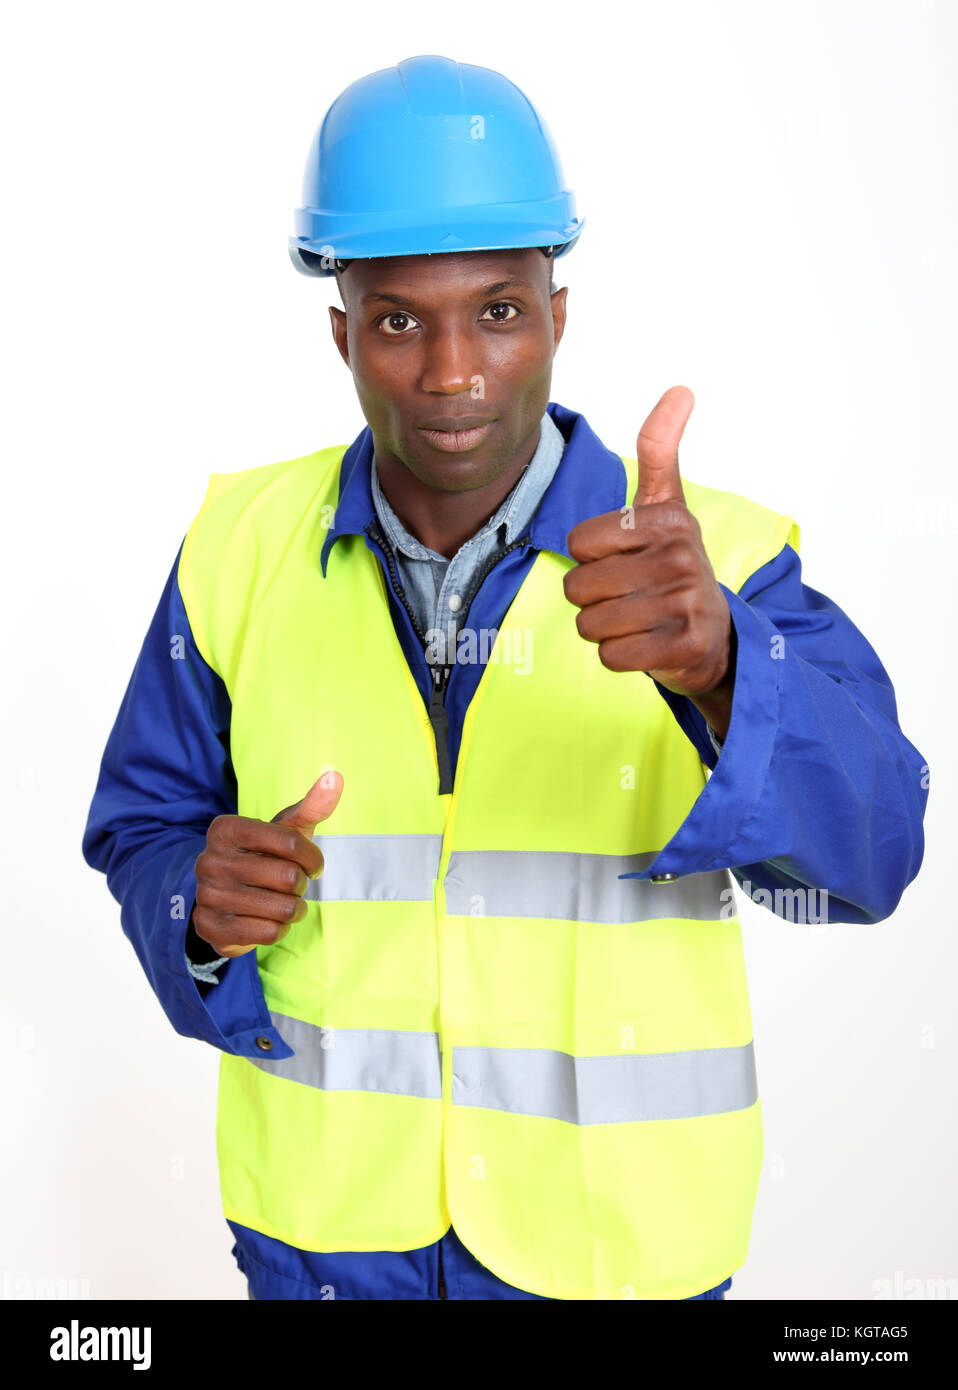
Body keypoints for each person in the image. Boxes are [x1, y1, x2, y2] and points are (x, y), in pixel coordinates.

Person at [82, 55, 928, 1302]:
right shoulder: (238, 547)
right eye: (396, 320)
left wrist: (727, 668)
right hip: (324, 1252)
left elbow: (875, 856)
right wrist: (195, 911)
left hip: (616, 1262)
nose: (449, 372)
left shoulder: (724, 563)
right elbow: (142, 829)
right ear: (340, 333)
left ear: (557, 313)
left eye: (495, 309)